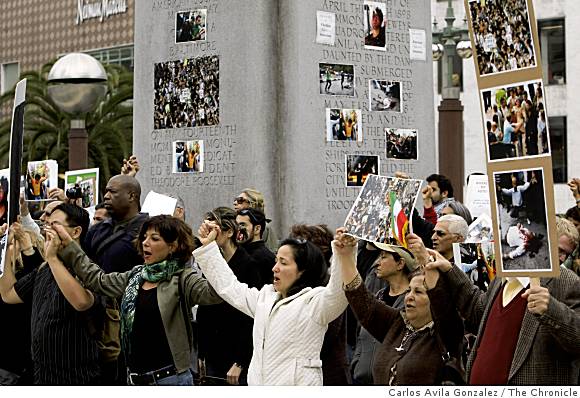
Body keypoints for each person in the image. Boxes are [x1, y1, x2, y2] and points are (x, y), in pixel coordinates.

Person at [53, 215, 223, 385]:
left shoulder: (183, 279)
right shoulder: (136, 275)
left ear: (173, 246)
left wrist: (210, 249)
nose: (145, 242)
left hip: (169, 380)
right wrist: (70, 245)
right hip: (134, 378)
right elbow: (98, 280)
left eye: (154, 238)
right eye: (144, 237)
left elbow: (214, 294)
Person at [194, 224, 352, 385]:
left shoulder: (314, 303)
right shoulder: (264, 299)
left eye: (283, 263)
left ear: (303, 270)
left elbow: (338, 293)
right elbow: (229, 287)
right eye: (276, 260)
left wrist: (345, 255)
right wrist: (208, 246)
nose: (275, 268)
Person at [425, 248, 580, 385]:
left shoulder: (567, 281)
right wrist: (449, 269)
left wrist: (551, 309)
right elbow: (478, 310)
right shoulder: (504, 276)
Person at [0, 204, 102, 385]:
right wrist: (5, 252)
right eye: (47, 225)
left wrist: (53, 258)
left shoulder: (88, 268)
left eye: (54, 225)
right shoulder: (43, 269)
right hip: (42, 376)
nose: (48, 230)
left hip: (76, 379)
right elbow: (8, 294)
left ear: (76, 231)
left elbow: (82, 303)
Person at [340, 243, 464, 385]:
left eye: (418, 292)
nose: (409, 296)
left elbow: (443, 305)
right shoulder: (397, 324)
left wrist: (425, 259)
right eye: (409, 290)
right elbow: (362, 301)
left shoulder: (446, 333)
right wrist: (345, 256)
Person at [196, 207, 262, 385]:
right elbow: (206, 307)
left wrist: (241, 361)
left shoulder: (249, 265)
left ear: (229, 232)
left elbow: (253, 317)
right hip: (212, 351)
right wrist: (201, 353)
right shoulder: (212, 263)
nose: (208, 235)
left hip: (235, 354)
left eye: (214, 230)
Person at [351, 243, 417, 385]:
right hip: (361, 381)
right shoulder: (376, 298)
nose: (376, 263)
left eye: (383, 257)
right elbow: (360, 335)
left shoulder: (414, 303)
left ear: (400, 264)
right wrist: (356, 363)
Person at [237, 207, 276, 284]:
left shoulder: (261, 258)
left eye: (242, 225)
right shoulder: (241, 253)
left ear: (257, 229)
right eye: (236, 225)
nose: (237, 229)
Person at [233, 188, 278, 252]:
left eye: (240, 200)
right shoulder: (232, 223)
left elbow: (271, 253)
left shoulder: (265, 227)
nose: (235, 203)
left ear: (252, 203)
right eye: (235, 200)